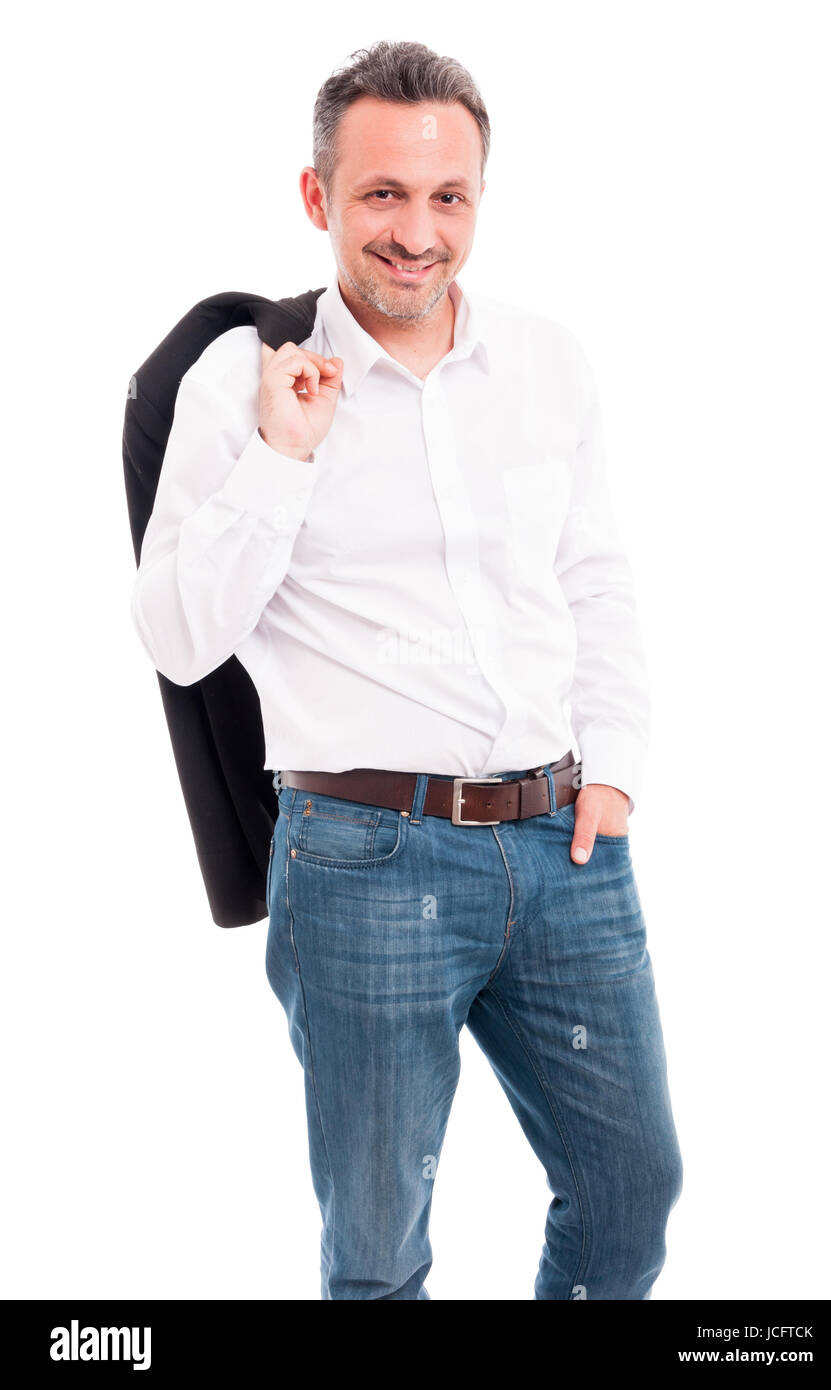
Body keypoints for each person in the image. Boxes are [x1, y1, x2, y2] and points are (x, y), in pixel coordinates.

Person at [130, 39, 683, 1301]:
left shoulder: (547, 362)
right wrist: (284, 455)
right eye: (382, 195)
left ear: (478, 200)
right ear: (319, 198)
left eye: (447, 198)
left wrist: (616, 772)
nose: (416, 234)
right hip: (365, 861)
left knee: (630, 1188)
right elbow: (175, 636)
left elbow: (592, 576)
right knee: (378, 1251)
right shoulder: (243, 382)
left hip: (567, 847)